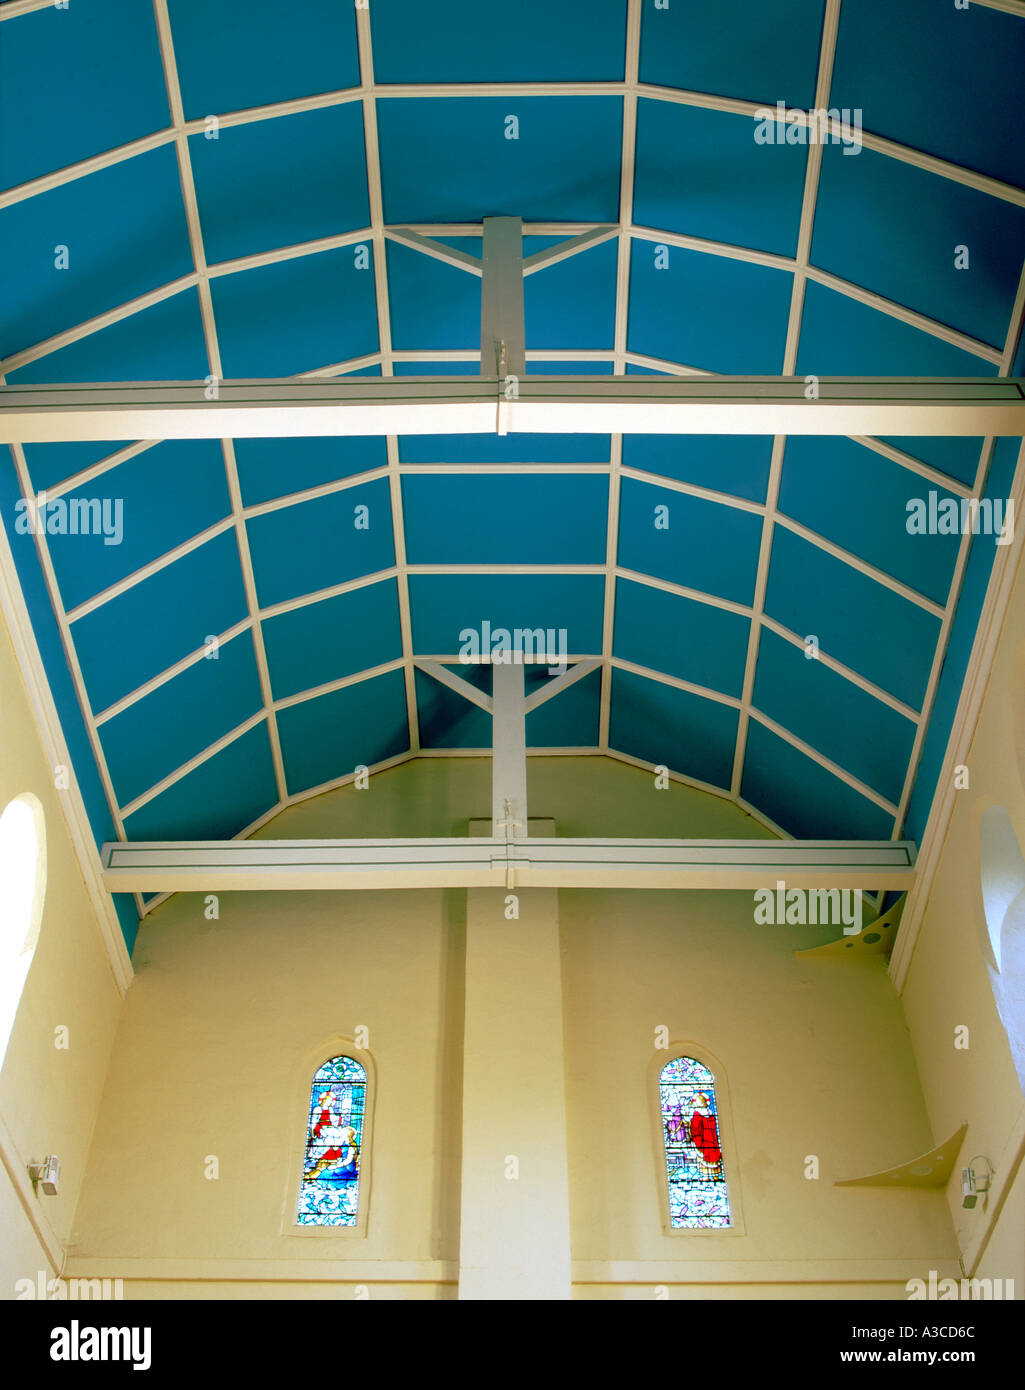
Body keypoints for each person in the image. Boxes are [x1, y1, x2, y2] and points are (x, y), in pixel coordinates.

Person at [688, 1092, 722, 1169]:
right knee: (710, 1149)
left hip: (708, 1134)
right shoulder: (703, 1112)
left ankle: (712, 1164)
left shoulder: (702, 1112)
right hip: (708, 1135)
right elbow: (696, 1127)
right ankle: (711, 1164)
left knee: (710, 1148)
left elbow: (696, 1126)